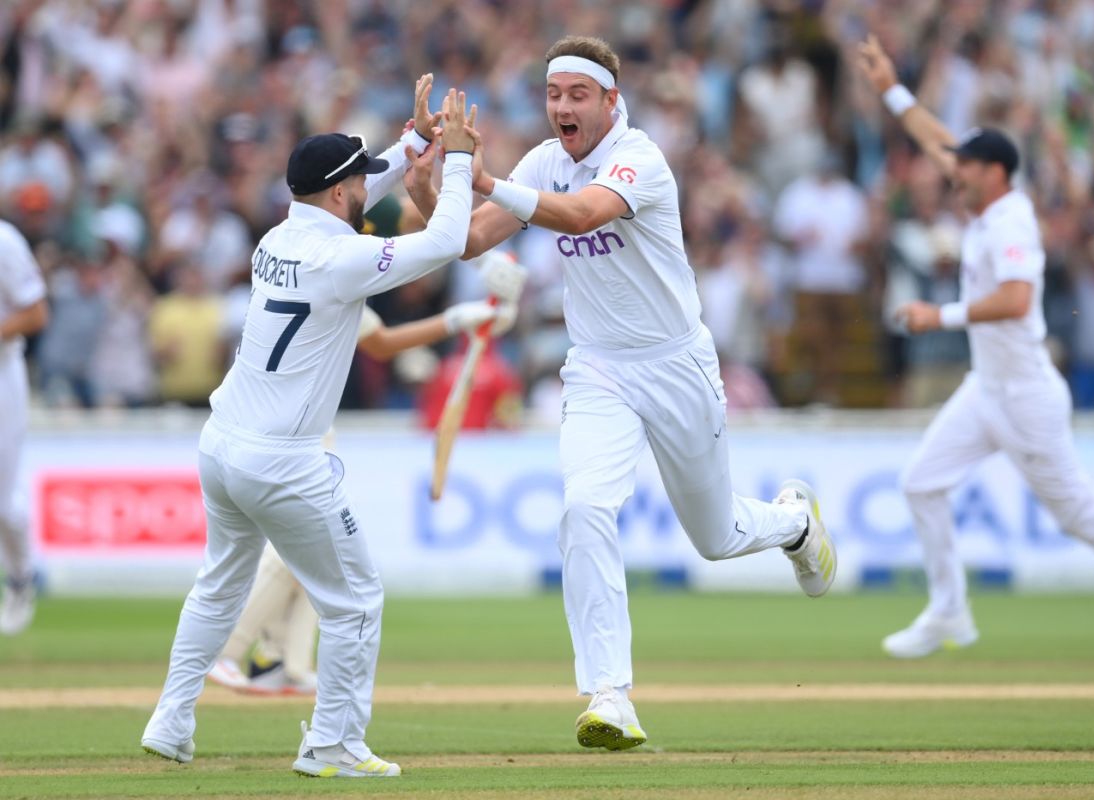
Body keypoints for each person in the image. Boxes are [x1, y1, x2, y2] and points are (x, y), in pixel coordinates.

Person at [406, 36, 836, 751]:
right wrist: (432, 177)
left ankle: (792, 524)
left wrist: (476, 177)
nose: (562, 108)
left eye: (578, 95)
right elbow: (463, 242)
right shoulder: (545, 160)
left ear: (610, 100)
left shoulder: (641, 157)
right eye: (553, 95)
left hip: (675, 363)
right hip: (598, 367)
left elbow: (579, 216)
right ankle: (610, 696)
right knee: (583, 508)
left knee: (716, 536)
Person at [141, 78, 494, 778]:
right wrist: (454, 158)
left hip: (223, 446)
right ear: (339, 195)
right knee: (356, 599)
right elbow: (450, 238)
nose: (369, 187)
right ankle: (333, 745)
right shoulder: (342, 259)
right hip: (283, 461)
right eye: (358, 181)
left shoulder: (279, 234)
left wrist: (415, 142)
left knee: (218, 586)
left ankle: (171, 718)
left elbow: (365, 185)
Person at [858, 35, 1094, 681]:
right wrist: (889, 86)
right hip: (986, 387)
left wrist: (941, 315)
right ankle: (951, 610)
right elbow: (934, 137)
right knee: (920, 482)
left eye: (963, 168)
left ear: (993, 172)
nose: (950, 173)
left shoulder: (1012, 222)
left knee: (1081, 516)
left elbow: (1016, 300)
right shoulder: (985, 199)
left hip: (1028, 396)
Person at [207, 297, 506, 695]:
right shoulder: (326, 272)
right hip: (284, 430)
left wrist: (461, 316)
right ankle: (225, 651)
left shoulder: (304, 268)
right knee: (293, 551)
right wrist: (454, 319)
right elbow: (382, 337)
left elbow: (379, 336)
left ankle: (283, 663)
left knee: (313, 553)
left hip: (295, 425)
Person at [0, 218, 48, 635]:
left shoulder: (5, 242)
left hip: (2, 378)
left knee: (2, 502)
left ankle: (19, 579)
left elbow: (35, 313)